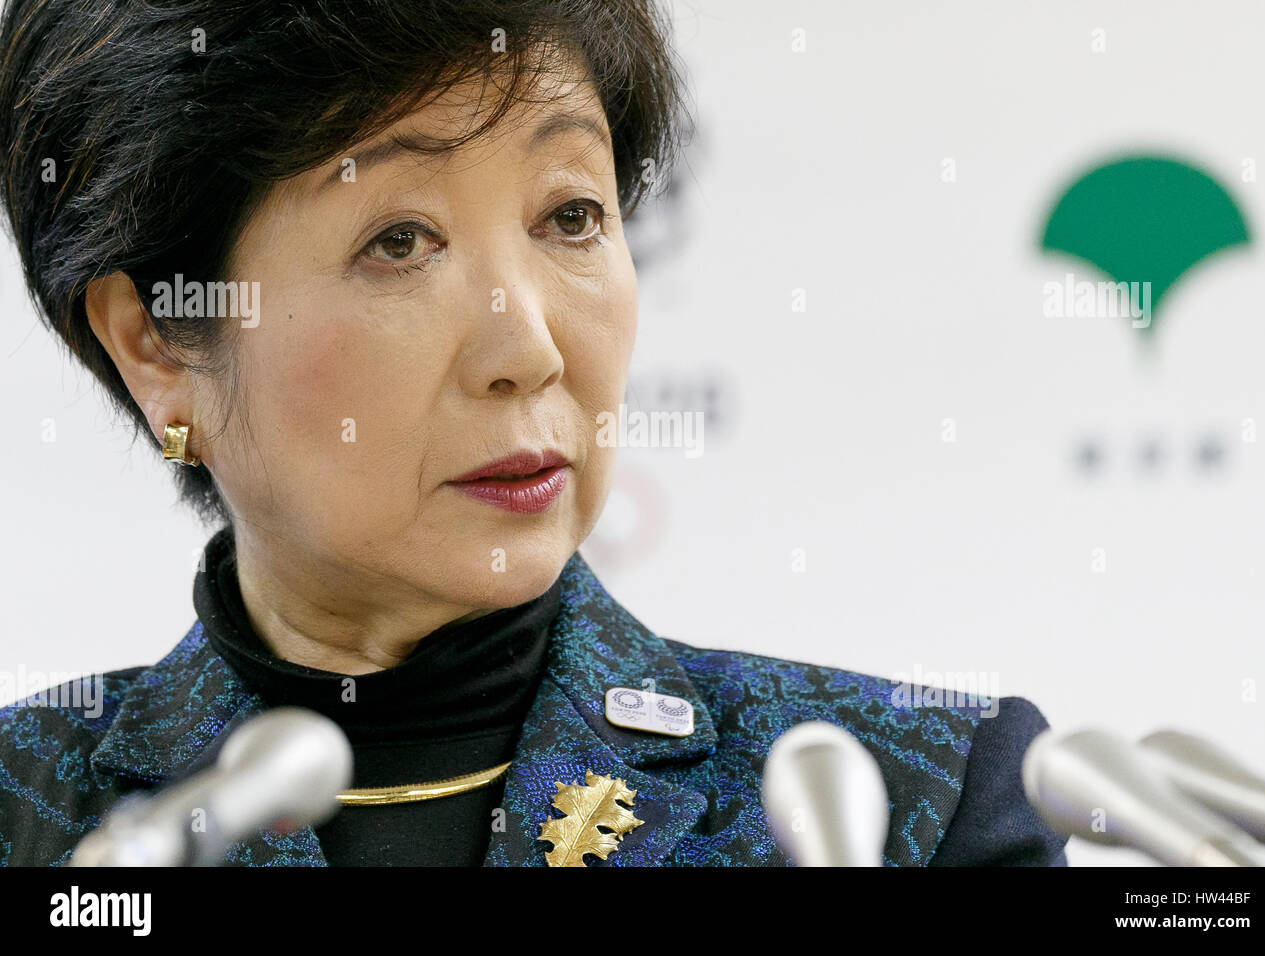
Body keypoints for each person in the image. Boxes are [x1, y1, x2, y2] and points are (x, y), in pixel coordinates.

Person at [0, 0, 1067, 867]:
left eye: (571, 217)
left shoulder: (911, 802)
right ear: (157, 343)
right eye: (400, 240)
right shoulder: (35, 824)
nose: (528, 348)